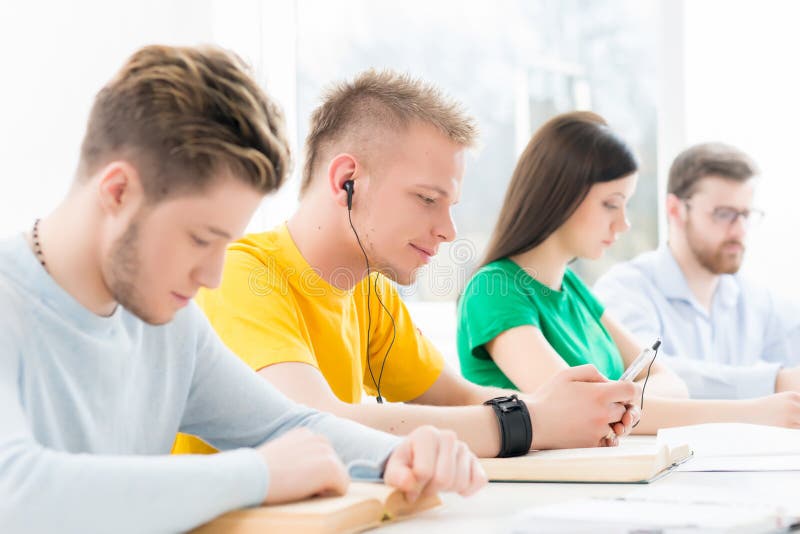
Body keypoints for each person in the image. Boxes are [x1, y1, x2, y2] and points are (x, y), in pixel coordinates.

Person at [0, 45, 487, 534]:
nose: (212, 276)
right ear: (119, 192)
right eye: (200, 239)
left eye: (225, 243)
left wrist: (398, 455)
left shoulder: (171, 325)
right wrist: (257, 474)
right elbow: (14, 490)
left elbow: (285, 425)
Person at [173, 70, 640, 459]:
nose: (448, 231)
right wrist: (533, 420)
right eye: (427, 199)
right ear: (347, 181)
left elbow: (458, 398)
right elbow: (314, 424)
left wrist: (570, 408)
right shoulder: (243, 275)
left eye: (450, 206)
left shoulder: (370, 291)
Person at [457, 111, 800, 433]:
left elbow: (673, 384)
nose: (623, 224)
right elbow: (582, 409)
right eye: (611, 204)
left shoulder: (573, 288)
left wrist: (616, 400)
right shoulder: (494, 289)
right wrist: (750, 412)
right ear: (560, 196)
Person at [594, 143, 800, 399]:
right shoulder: (624, 290)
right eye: (724, 214)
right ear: (675, 209)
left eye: (745, 215)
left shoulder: (755, 298)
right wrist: (776, 382)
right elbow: (651, 377)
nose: (739, 231)